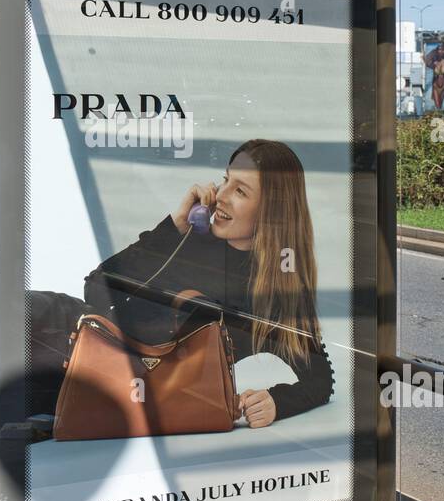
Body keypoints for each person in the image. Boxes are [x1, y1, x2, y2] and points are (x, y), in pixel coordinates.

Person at [28, 139, 334, 431]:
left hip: (120, 376)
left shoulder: (273, 294)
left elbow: (319, 378)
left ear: (271, 212)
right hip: (85, 334)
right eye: (225, 180)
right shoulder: (192, 238)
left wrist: (277, 402)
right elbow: (95, 288)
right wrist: (175, 226)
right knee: (12, 308)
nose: (221, 195)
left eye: (240, 191)